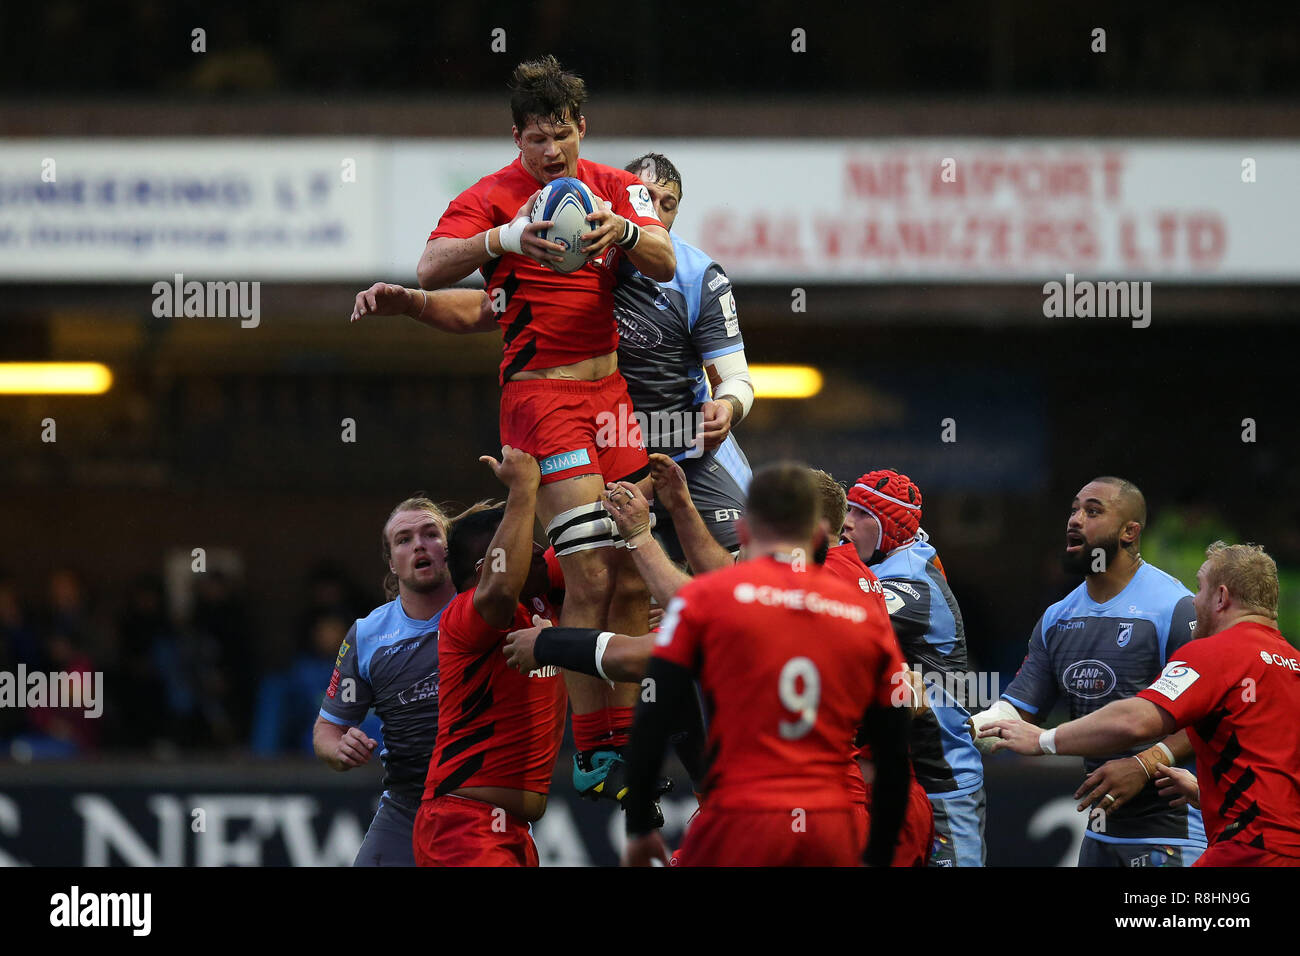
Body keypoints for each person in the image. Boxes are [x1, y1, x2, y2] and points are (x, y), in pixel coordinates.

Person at [416, 55, 673, 805]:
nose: (549, 151)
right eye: (535, 139)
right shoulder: (494, 197)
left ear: (581, 130)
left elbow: (662, 259)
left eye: (560, 135)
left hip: (612, 391)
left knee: (630, 572)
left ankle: (617, 748)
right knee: (587, 571)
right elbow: (430, 266)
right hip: (542, 400)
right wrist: (501, 243)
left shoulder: (614, 187)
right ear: (517, 139)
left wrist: (623, 229)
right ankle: (592, 753)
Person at [620, 462, 910, 866]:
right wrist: (877, 854)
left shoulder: (707, 600)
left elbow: (653, 714)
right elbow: (894, 750)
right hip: (833, 821)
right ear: (821, 536)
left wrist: (638, 825)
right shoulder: (864, 618)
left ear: (743, 532)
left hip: (742, 816)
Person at [982, 542, 1300, 867]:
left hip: (1249, 852)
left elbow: (1135, 721)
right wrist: (1210, 797)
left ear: (1221, 597)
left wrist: (1044, 740)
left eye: (1200, 588)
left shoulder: (1215, 652)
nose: (1193, 600)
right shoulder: (1292, 663)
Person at [970, 476, 1205, 867]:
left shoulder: (1175, 609)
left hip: (1173, 830)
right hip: (1098, 831)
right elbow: (1015, 710)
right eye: (1074, 509)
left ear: (1130, 531)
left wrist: (1143, 766)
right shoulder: (1057, 617)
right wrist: (950, 730)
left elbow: (1208, 715)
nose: (1075, 520)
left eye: (1093, 511)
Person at [412, 447, 568, 866]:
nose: (538, 549)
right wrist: (521, 490)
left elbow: (589, 551)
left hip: (510, 830)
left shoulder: (538, 597)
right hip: (463, 826)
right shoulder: (463, 616)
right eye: (523, 542)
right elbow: (499, 589)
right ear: (486, 568)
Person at [610, 153, 753, 559]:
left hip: (689, 451)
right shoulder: (582, 264)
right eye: (644, 198)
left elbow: (737, 381)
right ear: (617, 198)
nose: (654, 211)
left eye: (666, 204)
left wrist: (727, 406)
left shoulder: (699, 276)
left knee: (745, 569)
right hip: (609, 447)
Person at [841, 469, 986, 867]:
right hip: (895, 781)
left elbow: (835, 624)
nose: (847, 521)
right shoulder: (875, 569)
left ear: (890, 529)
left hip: (942, 782)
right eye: (847, 508)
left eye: (863, 513)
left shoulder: (911, 585)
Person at [313, 496, 454, 866]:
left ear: (447, 549)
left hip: (483, 804)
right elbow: (327, 730)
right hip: (406, 807)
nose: (419, 544)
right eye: (404, 539)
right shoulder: (367, 634)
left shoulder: (484, 610)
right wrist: (339, 750)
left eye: (430, 534)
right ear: (392, 562)